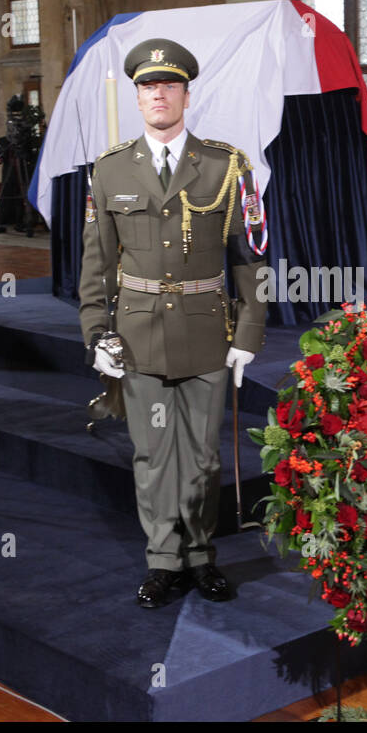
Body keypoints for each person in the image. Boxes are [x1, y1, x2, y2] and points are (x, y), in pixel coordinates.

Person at [79, 38, 268, 609]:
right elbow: (95, 265)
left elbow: (250, 260)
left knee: (203, 458)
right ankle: (164, 560)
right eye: (146, 86)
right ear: (136, 97)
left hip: (208, 334)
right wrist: (95, 333)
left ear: (187, 93)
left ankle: (201, 555)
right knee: (153, 456)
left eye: (168, 85)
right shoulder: (110, 170)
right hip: (136, 338)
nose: (157, 94)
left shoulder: (226, 166)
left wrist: (251, 335)